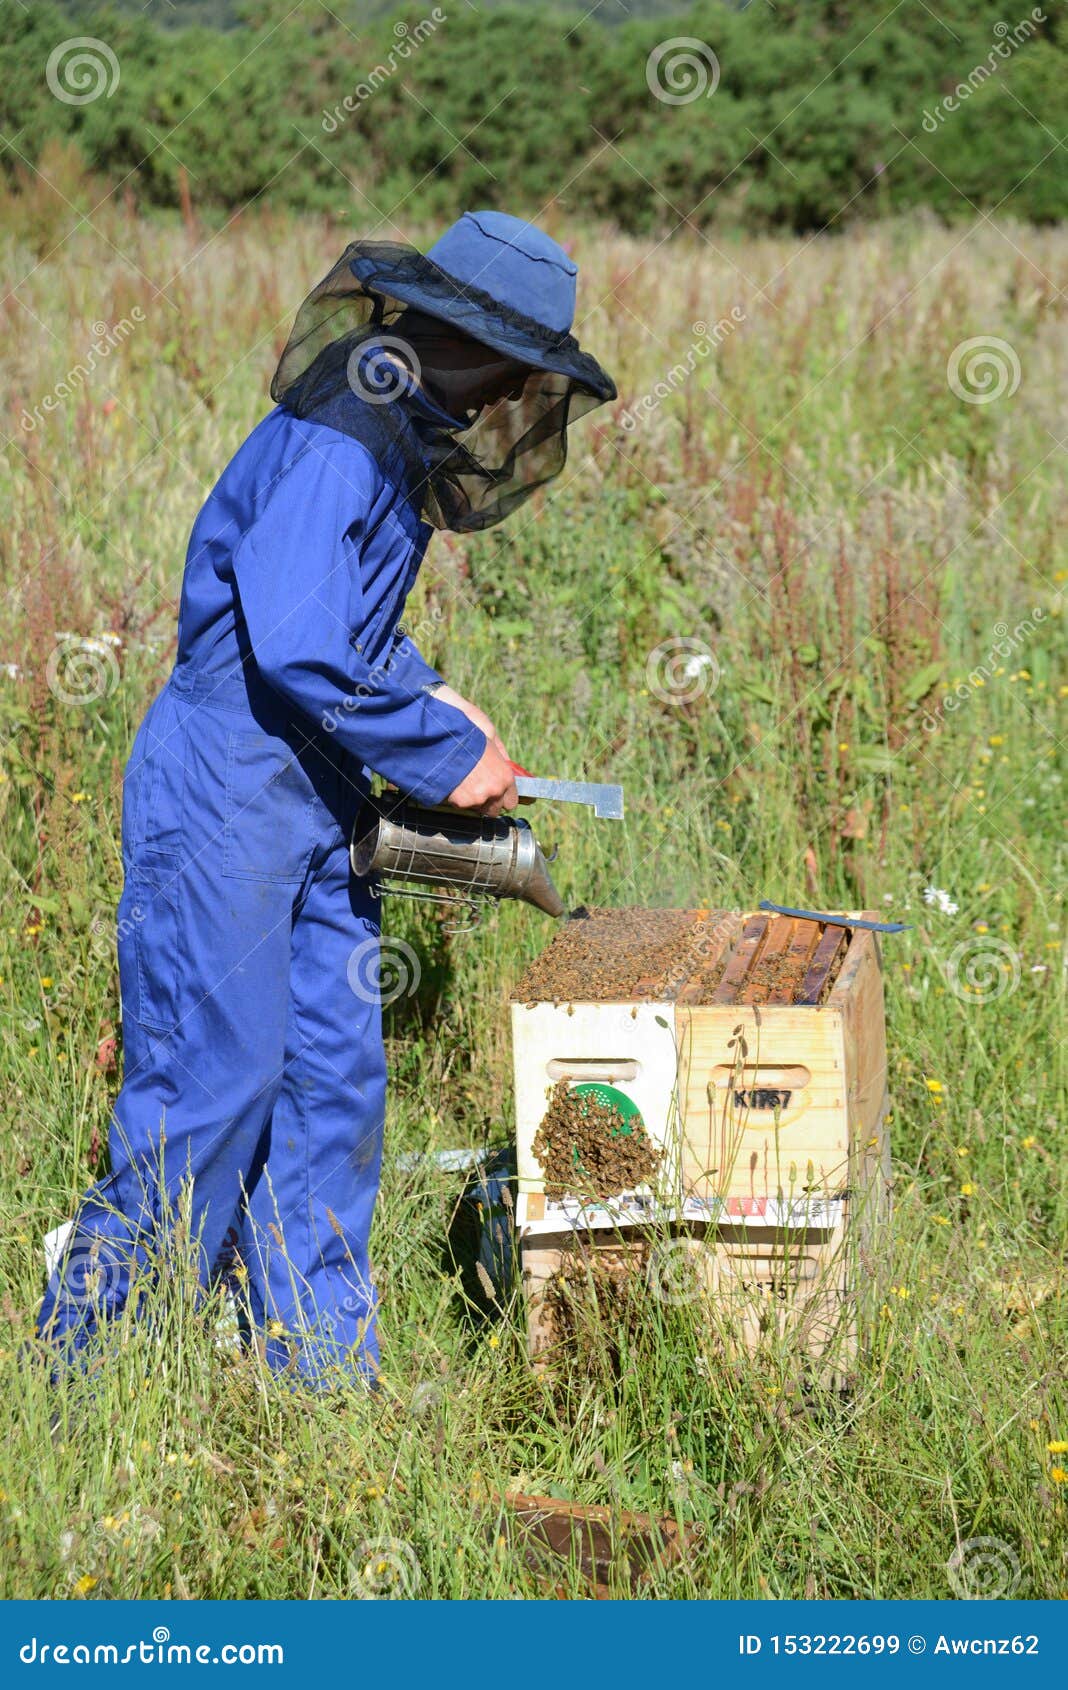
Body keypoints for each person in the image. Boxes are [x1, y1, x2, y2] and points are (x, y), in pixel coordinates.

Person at [38, 211, 615, 1386]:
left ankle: (320, 1371)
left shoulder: (393, 424)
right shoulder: (342, 434)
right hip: (228, 787)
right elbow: (293, 648)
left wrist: (445, 703)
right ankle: (86, 1379)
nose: (516, 391)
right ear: (482, 342)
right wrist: (436, 757)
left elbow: (346, 631)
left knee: (330, 1080)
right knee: (210, 1083)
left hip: (314, 790)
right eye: (519, 364)